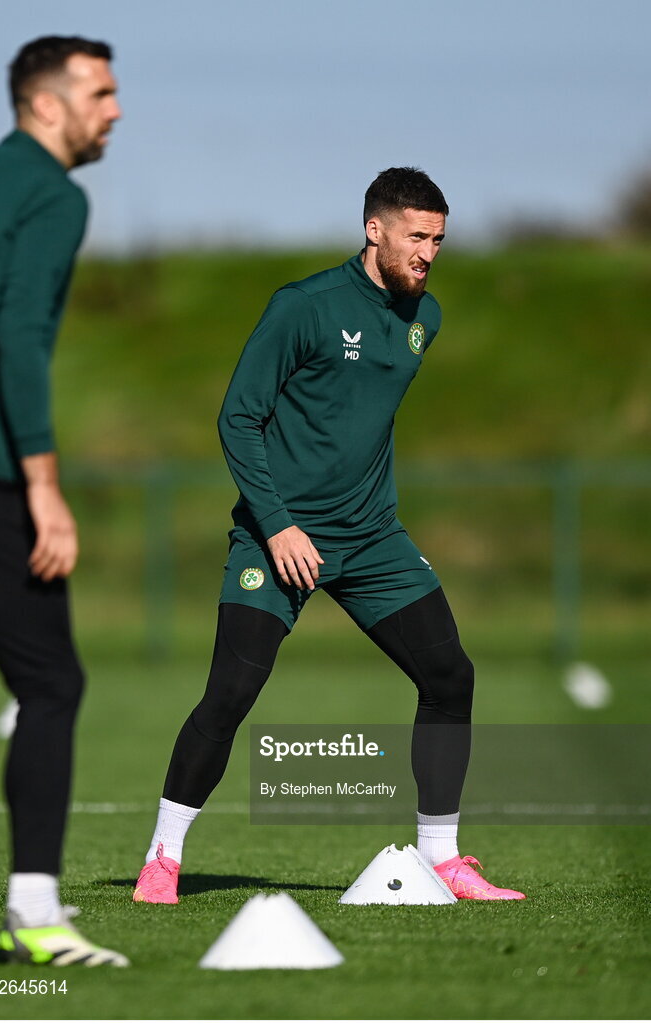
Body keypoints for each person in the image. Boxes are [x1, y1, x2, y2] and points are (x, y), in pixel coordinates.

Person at [133, 167, 525, 905]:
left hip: (372, 537)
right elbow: (237, 418)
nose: (429, 252)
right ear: (374, 229)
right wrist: (277, 524)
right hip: (276, 538)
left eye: (438, 238)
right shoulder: (303, 307)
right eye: (416, 236)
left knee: (450, 678)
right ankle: (163, 856)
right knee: (229, 696)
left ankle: (442, 859)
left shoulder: (424, 319)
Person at [0, 35, 129, 966]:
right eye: (99, 92)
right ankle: (36, 916)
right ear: (44, 105)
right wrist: (45, 488)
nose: (116, 109)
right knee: (51, 685)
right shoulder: (55, 197)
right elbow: (17, 341)